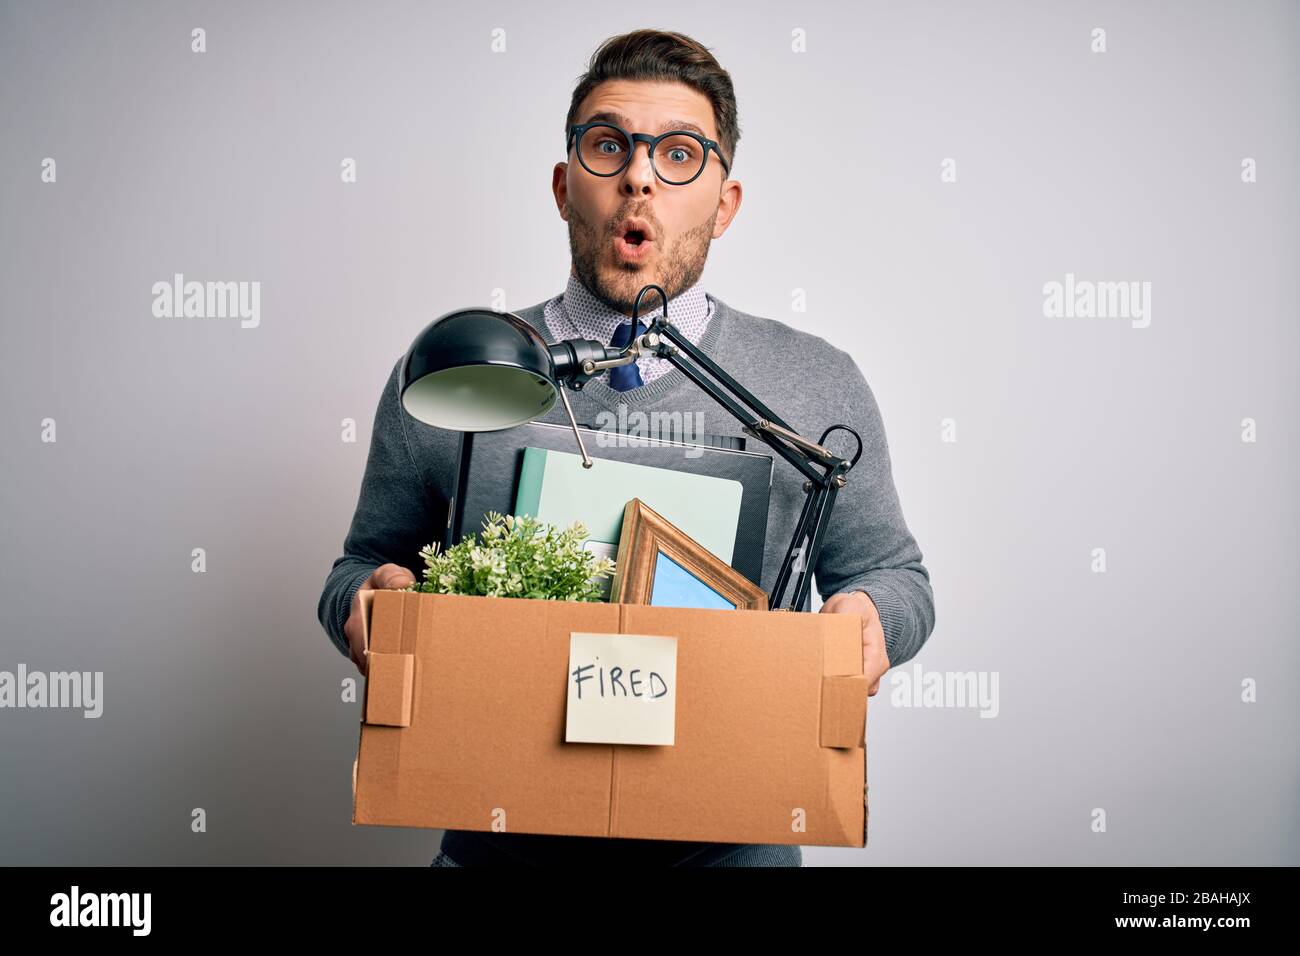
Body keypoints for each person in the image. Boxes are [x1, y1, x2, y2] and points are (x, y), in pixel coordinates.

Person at [318, 28, 935, 867]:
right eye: (609, 146)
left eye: (679, 154)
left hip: (733, 847)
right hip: (500, 843)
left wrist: (870, 619)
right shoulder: (461, 369)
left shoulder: (812, 382)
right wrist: (371, 598)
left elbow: (894, 577)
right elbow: (360, 565)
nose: (639, 176)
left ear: (725, 203)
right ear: (565, 184)